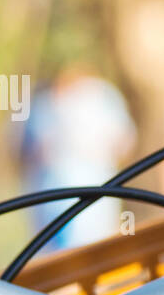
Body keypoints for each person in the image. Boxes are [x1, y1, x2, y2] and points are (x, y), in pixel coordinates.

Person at [20, 66, 136, 249]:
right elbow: (21, 152)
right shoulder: (38, 103)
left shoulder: (102, 96)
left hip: (95, 212)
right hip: (51, 213)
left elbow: (124, 143)